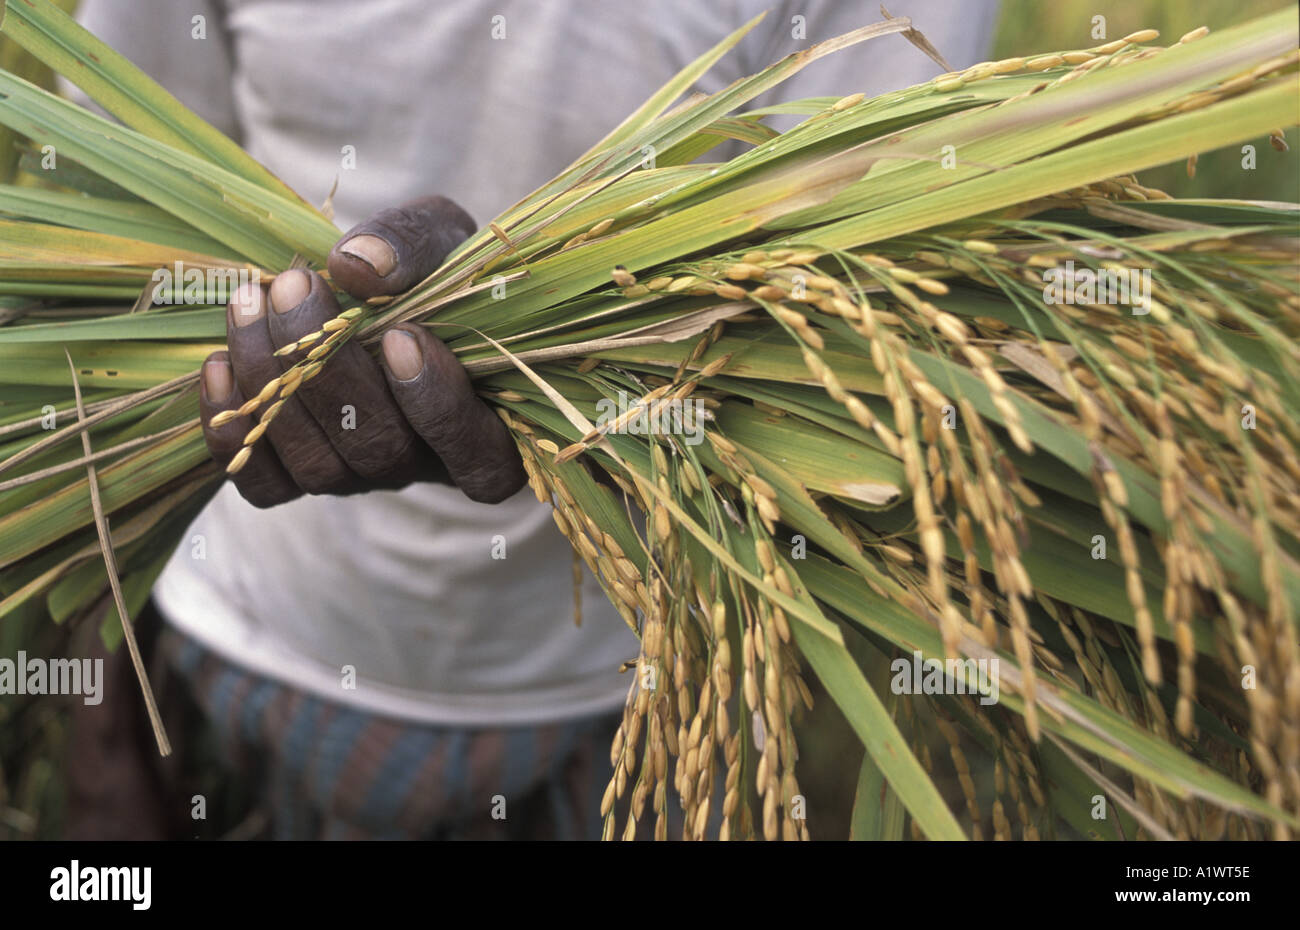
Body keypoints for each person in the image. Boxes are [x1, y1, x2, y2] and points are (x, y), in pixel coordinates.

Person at [65, 0, 997, 840]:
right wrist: (103, 694)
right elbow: (109, 237)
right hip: (267, 645)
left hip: (652, 689)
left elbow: (862, 343)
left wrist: (513, 345)